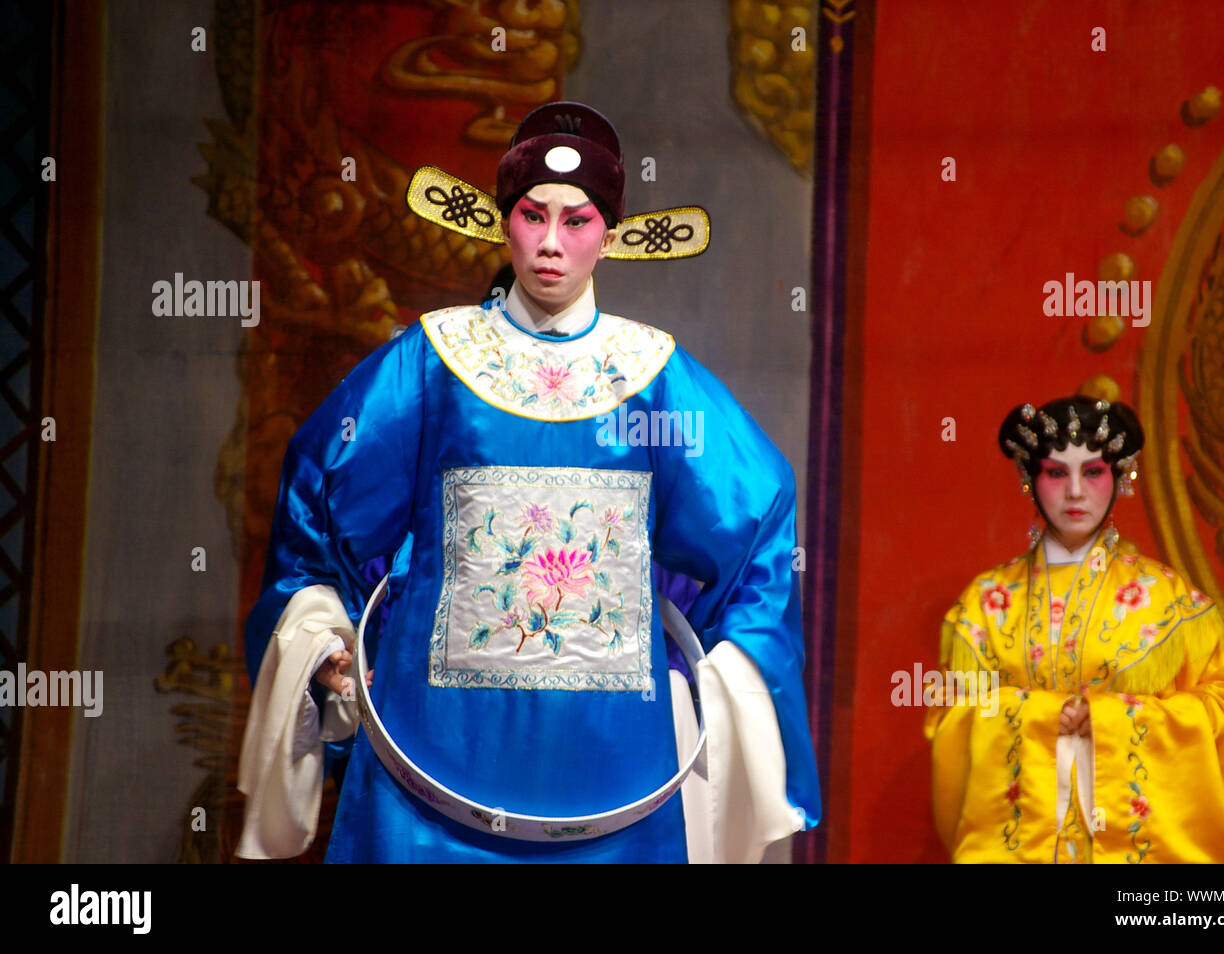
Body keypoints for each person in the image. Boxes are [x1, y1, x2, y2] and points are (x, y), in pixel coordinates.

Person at [235, 102, 820, 862]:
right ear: (498, 219)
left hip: (616, 784)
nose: (550, 244)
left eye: (577, 222)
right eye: (531, 215)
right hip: (428, 771)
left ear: (611, 236)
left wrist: (729, 670)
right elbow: (318, 495)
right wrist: (325, 633)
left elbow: (757, 521)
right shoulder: (435, 360)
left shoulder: (654, 377)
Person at [925, 396, 1224, 863]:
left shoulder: (1167, 599)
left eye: (1091, 472)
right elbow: (950, 722)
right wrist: (1042, 719)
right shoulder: (986, 604)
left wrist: (1112, 721)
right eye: (1054, 472)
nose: (1073, 492)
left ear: (1121, 476)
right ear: (1029, 478)